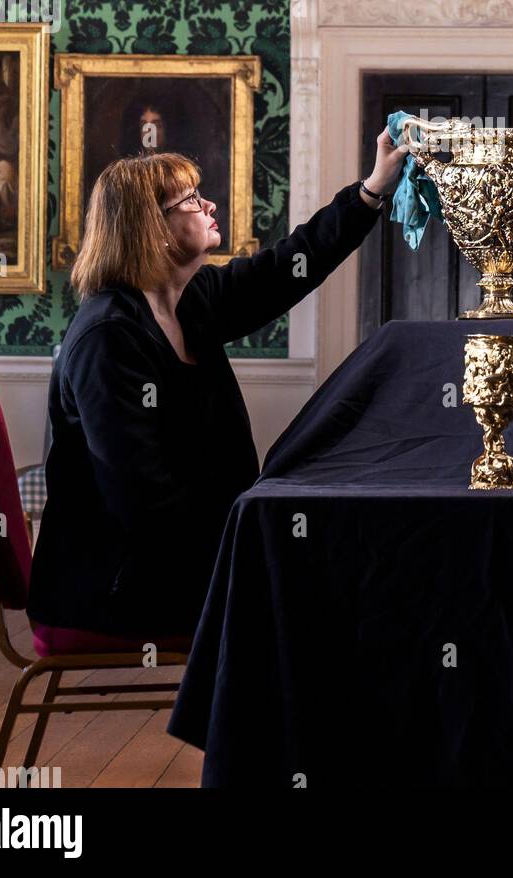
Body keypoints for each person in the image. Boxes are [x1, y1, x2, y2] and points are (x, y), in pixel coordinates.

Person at [27, 129, 409, 641]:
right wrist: (247, 550)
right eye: (189, 200)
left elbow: (289, 266)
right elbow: (142, 501)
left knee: (348, 571)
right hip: (117, 582)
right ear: (151, 227)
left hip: (185, 558)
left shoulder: (191, 299)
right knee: (328, 592)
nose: (207, 204)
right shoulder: (109, 338)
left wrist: (372, 189)